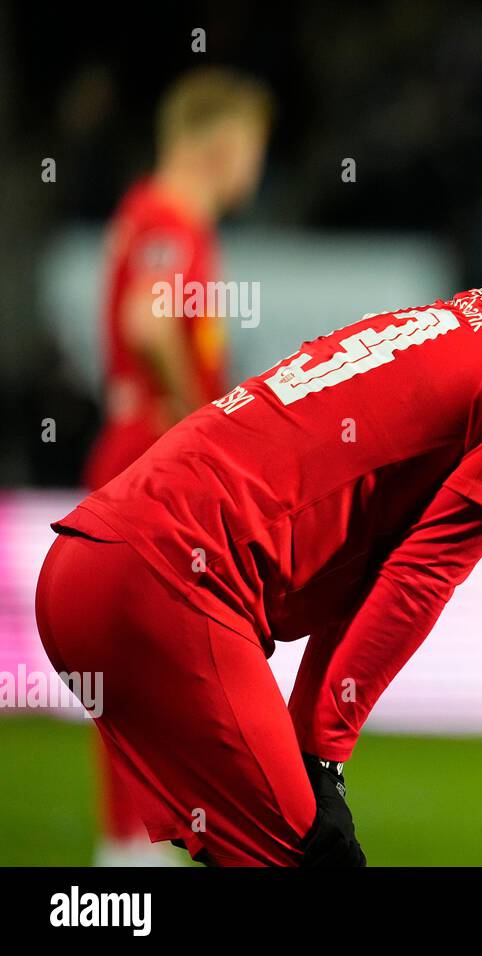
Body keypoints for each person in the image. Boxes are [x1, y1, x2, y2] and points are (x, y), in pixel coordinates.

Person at [35, 163, 482, 866]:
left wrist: (317, 745)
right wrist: (323, 752)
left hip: (99, 563)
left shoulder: (481, 318)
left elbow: (377, 561)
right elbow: (423, 572)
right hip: (170, 584)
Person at [82, 67, 272, 865]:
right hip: (149, 457)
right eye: (256, 146)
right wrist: (196, 414)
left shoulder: (143, 214)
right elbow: (147, 321)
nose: (257, 166)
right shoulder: (172, 220)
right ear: (224, 144)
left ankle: (136, 841)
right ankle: (132, 848)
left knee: (143, 666)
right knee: (156, 668)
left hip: (130, 447)